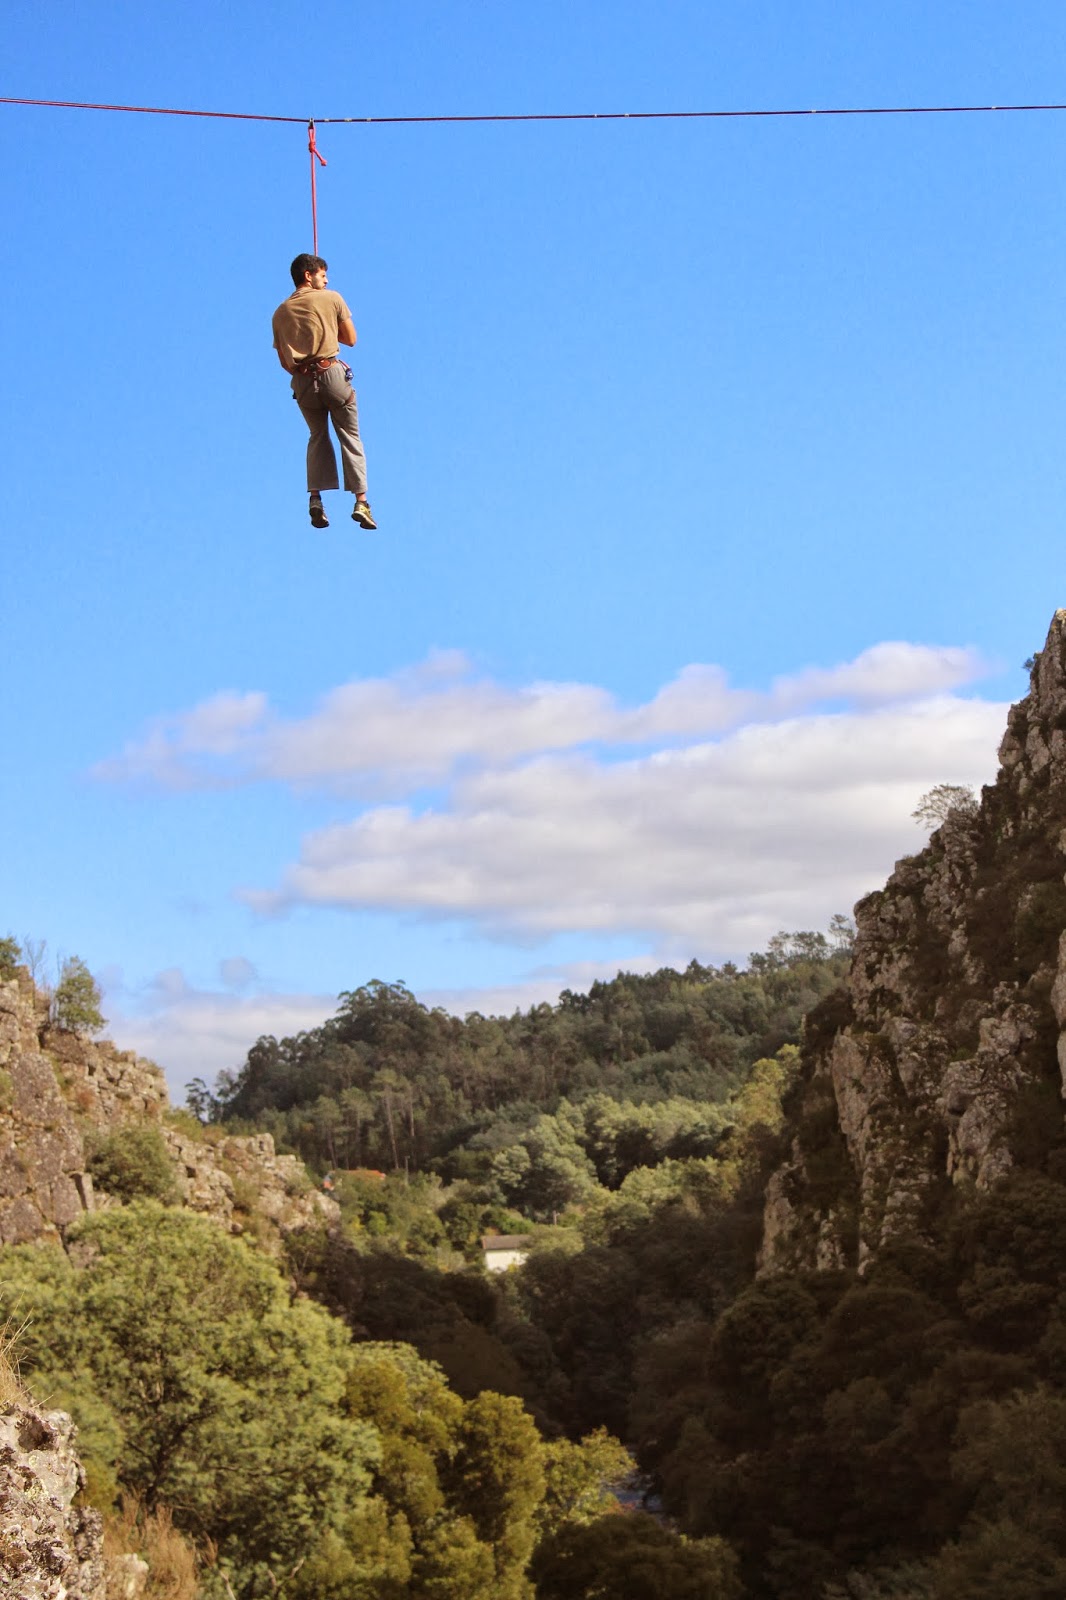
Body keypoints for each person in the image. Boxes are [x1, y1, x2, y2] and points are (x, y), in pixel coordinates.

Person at [272, 253, 377, 530]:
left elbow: (285, 362)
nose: (326, 280)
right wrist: (328, 329)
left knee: (317, 436)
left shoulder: (280, 312)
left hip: (303, 383)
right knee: (350, 436)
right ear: (309, 275)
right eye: (322, 274)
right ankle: (361, 501)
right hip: (331, 374)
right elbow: (351, 339)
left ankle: (316, 499)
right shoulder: (332, 298)